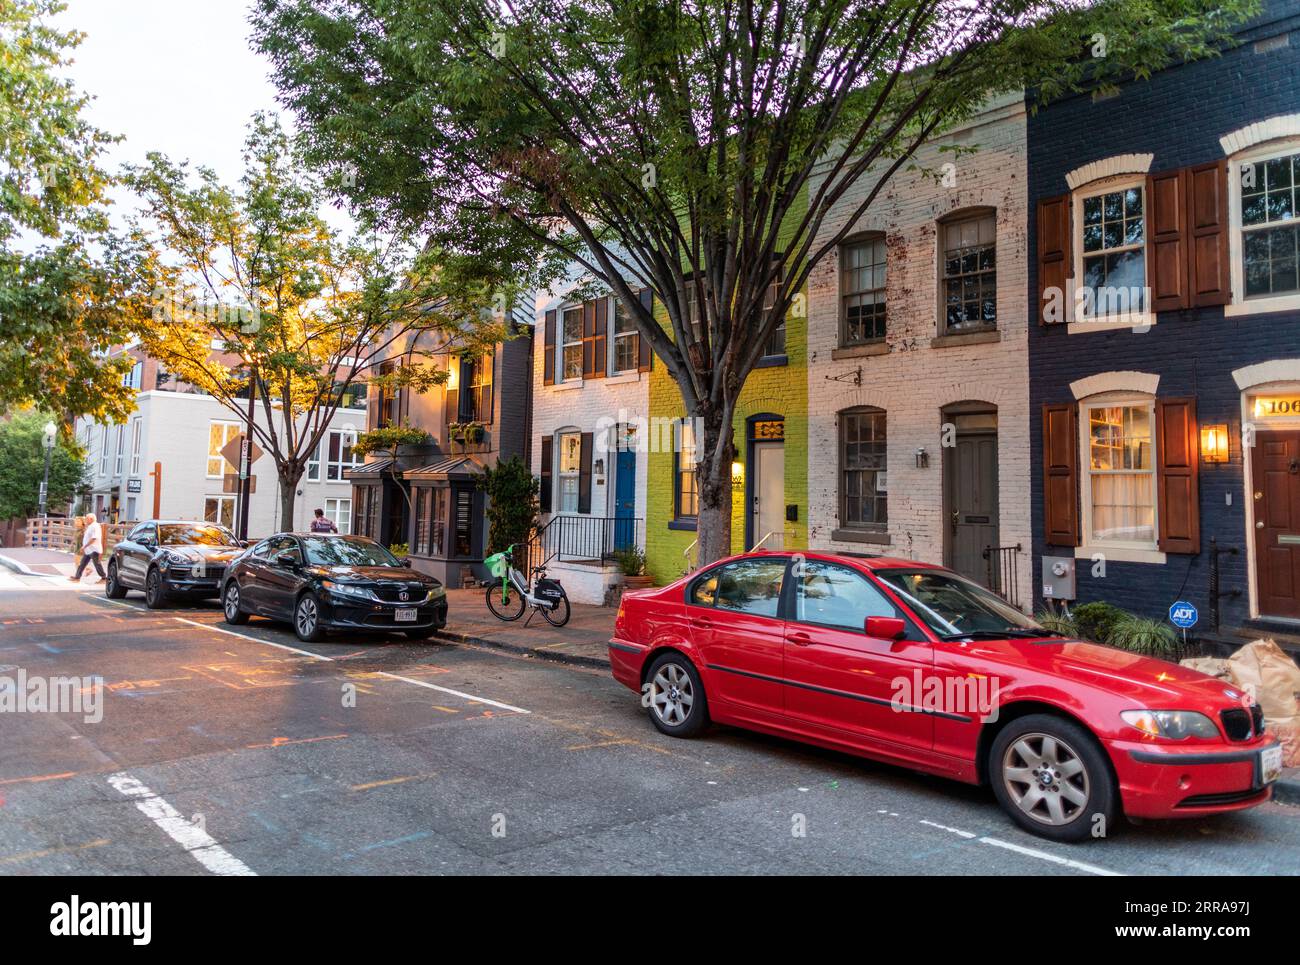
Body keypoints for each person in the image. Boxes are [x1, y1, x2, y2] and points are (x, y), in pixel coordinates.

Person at [71, 512, 106, 582]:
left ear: (91, 519)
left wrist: (84, 546)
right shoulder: (91, 526)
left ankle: (104, 578)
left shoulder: (95, 526)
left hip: (94, 549)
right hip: (89, 549)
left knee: (97, 564)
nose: (85, 520)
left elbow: (94, 538)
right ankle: (77, 577)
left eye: (86, 519)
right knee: (82, 564)